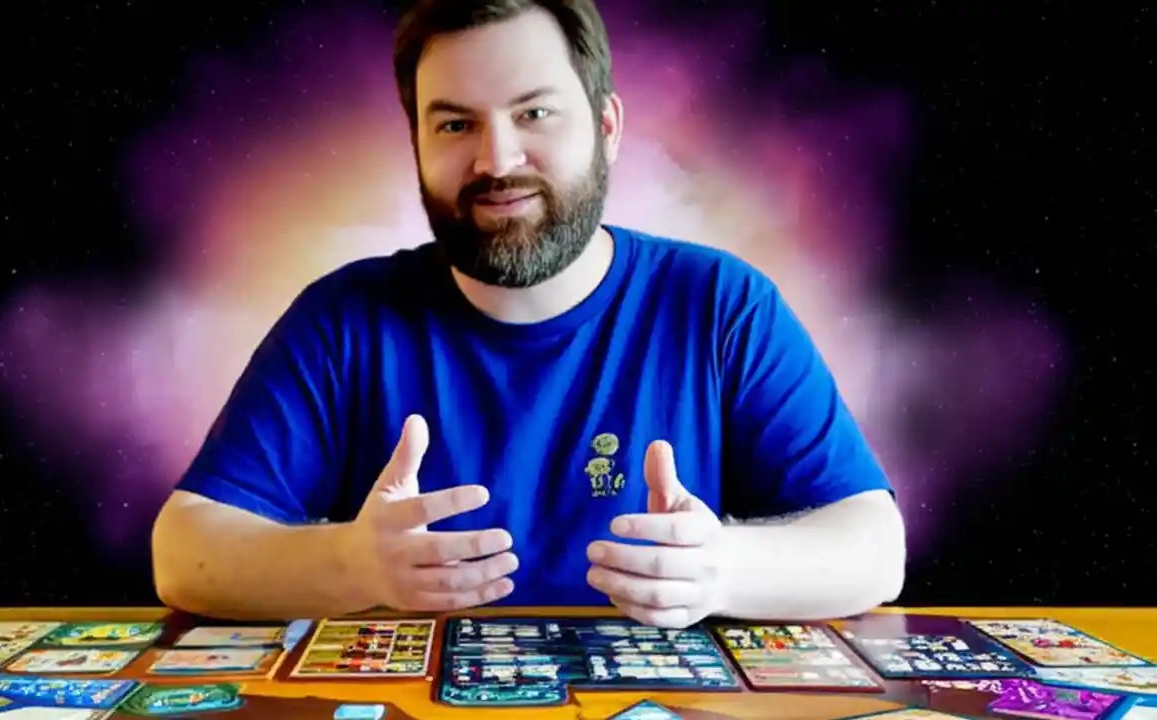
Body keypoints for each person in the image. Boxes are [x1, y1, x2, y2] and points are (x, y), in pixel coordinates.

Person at [150, 0, 906, 628]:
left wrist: (723, 572)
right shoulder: (342, 320)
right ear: (414, 143)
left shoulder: (721, 306)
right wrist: (351, 564)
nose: (497, 160)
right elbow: (183, 553)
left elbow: (875, 550)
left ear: (606, 127)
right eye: (454, 125)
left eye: (534, 112)